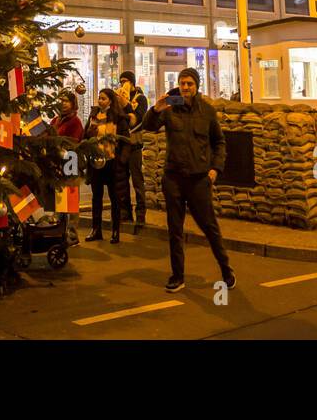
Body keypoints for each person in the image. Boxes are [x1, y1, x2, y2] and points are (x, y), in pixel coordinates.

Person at [142, 67, 234, 293]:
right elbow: (148, 126)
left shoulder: (207, 111)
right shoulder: (170, 109)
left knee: (210, 227)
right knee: (174, 229)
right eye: (182, 83)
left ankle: (226, 269)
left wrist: (215, 169)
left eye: (189, 84)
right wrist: (155, 109)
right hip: (173, 177)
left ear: (196, 86)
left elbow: (219, 142)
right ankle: (177, 276)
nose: (185, 87)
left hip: (198, 180)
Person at [84, 88, 131, 244]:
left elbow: (125, 141)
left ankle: (115, 231)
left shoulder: (118, 117)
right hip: (96, 162)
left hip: (112, 162)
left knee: (114, 198)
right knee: (96, 197)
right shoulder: (94, 115)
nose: (100, 101)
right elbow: (86, 137)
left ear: (110, 100)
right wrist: (91, 132)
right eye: (99, 98)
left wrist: (122, 160)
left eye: (103, 98)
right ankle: (96, 229)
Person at [117, 71, 149, 224]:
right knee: (122, 180)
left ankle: (141, 213)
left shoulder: (141, 99)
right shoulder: (119, 99)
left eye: (126, 81)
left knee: (137, 181)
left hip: (135, 145)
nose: (123, 84)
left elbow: (137, 120)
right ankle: (125, 212)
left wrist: (127, 105)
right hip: (122, 145)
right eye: (121, 81)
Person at [53, 91, 84, 244]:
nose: (64, 103)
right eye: (61, 100)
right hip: (57, 165)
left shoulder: (75, 121)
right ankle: (59, 232)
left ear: (73, 104)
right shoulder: (56, 120)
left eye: (67, 101)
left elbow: (73, 142)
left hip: (70, 164)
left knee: (70, 201)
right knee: (60, 201)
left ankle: (72, 234)